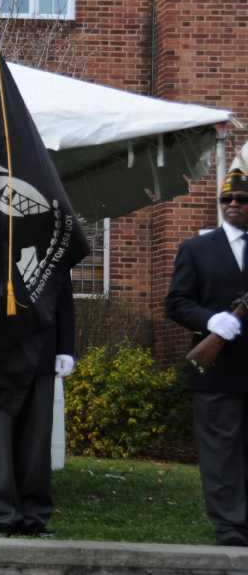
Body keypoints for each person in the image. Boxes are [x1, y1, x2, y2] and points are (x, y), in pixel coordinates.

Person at [0, 226, 75, 537]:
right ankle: (2, 514)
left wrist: (66, 346)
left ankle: (34, 515)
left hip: (40, 347)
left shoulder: (50, 232)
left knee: (36, 440)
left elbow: (61, 292)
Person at [165, 167, 248, 547]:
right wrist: (211, 319)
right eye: (226, 199)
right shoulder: (196, 249)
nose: (233, 204)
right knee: (221, 452)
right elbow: (177, 303)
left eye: (242, 199)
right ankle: (231, 525)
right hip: (218, 368)